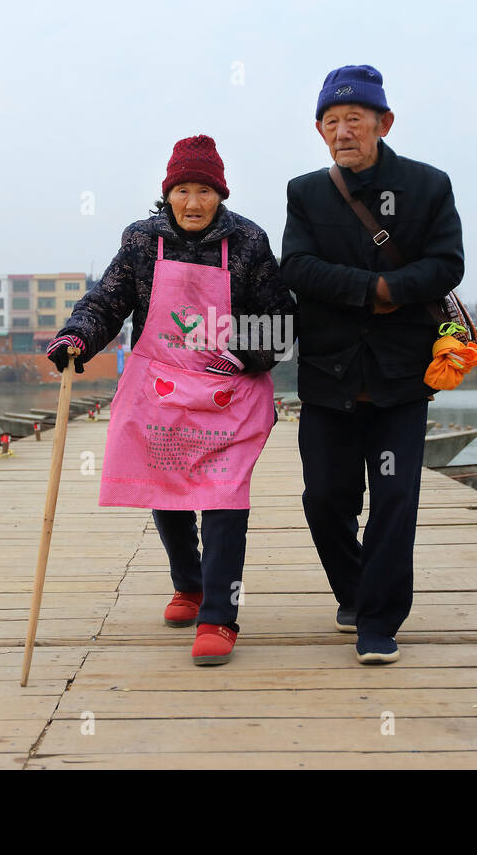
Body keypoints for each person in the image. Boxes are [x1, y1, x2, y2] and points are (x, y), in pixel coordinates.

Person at [47, 135, 295, 665]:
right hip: (160, 392)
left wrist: (241, 352)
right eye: (183, 190)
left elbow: (280, 321)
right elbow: (106, 301)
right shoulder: (142, 241)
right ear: (168, 194)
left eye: (204, 190)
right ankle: (189, 584)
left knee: (224, 499)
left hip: (230, 393)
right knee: (166, 490)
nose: (193, 202)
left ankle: (219, 616)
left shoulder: (249, 241)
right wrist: (77, 337)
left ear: (221, 194)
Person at [282, 65, 465, 664]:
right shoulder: (306, 193)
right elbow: (297, 268)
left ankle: (379, 621)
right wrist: (373, 291)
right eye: (331, 121)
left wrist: (390, 290)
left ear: (384, 123)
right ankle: (355, 591)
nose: (343, 132)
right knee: (324, 498)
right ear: (320, 130)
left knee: (394, 500)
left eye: (355, 119)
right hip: (328, 376)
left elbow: (447, 264)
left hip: (400, 378)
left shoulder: (429, 185)